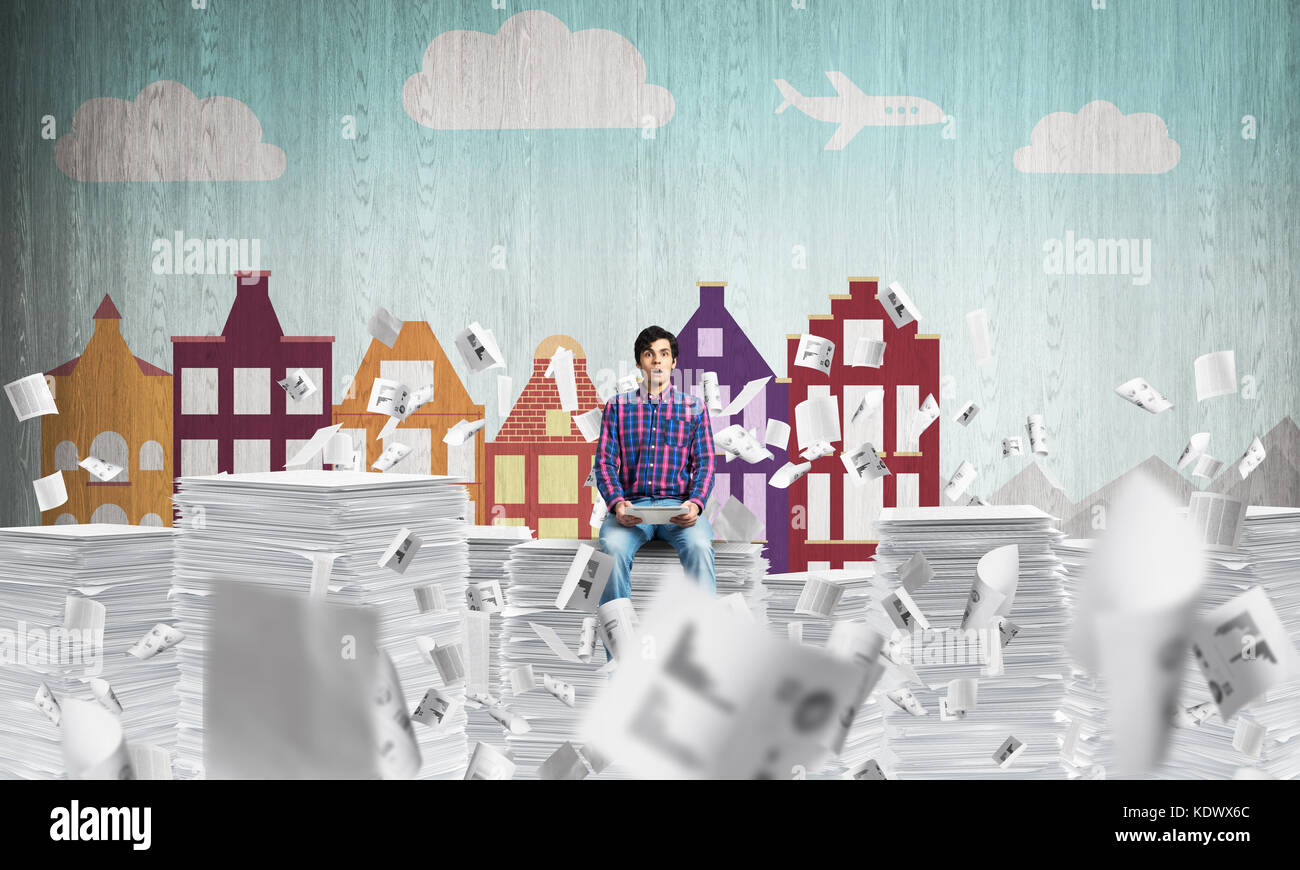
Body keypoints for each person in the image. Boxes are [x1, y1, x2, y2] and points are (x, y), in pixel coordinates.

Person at [594, 326, 716, 605]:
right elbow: (604, 462)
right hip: (631, 508)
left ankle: (705, 643)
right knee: (611, 550)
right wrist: (617, 503)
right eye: (649, 354)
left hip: (679, 508)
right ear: (639, 362)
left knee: (699, 546)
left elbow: (706, 463)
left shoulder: (694, 408)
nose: (657, 360)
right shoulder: (617, 407)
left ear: (674, 361)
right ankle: (621, 648)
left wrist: (696, 504)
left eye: (664, 354)